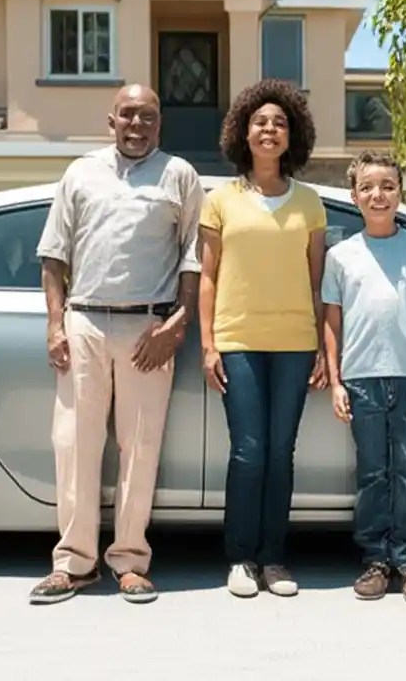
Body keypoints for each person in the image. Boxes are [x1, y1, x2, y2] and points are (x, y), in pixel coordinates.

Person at [28, 84, 204, 605]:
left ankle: (129, 560)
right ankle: (74, 564)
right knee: (75, 445)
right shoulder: (79, 173)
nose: (137, 124)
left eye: (147, 116)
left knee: (141, 447)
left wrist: (179, 322)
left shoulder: (179, 175)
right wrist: (55, 324)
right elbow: (53, 256)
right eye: (127, 114)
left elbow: (194, 256)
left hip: (149, 330)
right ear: (111, 121)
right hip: (83, 323)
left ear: (159, 123)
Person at [198, 78, 329, 598]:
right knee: (248, 452)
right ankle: (241, 558)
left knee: (281, 452)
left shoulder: (310, 203)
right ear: (243, 133)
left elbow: (317, 281)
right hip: (239, 341)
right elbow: (207, 276)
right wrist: (209, 345)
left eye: (279, 122)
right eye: (260, 122)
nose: (269, 129)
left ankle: (275, 558)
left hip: (295, 342)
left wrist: (322, 345)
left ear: (291, 134)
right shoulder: (221, 201)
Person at [322, 150, 406, 603]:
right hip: (361, 379)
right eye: (368, 187)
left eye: (387, 186)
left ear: (400, 193)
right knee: (373, 473)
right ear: (354, 197)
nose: (378, 194)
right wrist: (335, 380)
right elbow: (331, 324)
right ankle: (375, 558)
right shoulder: (341, 256)